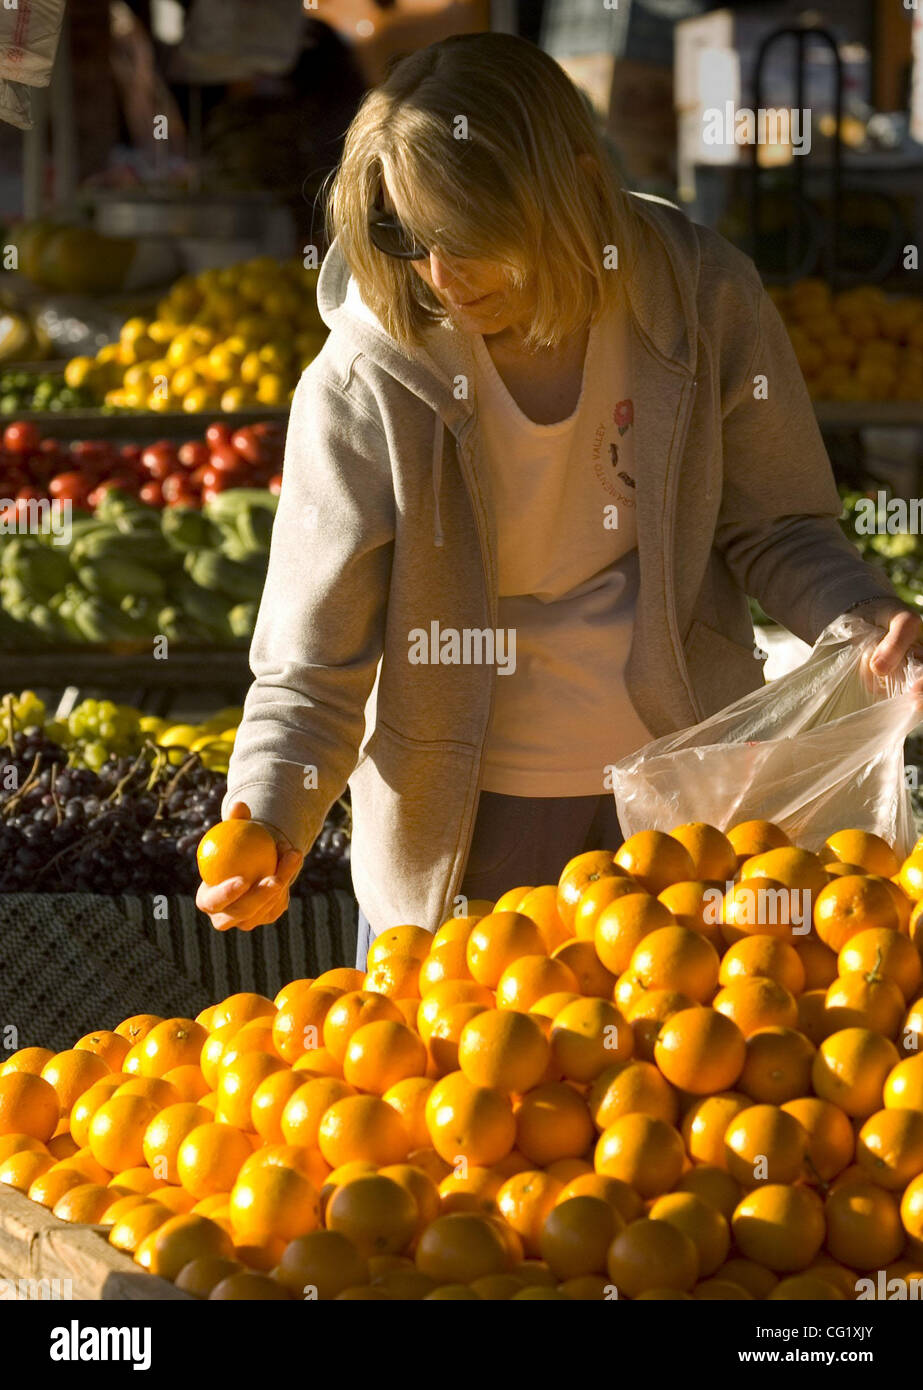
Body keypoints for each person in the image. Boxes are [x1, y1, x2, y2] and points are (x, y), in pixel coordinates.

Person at [195, 32, 922, 967]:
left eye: (468, 243)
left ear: (570, 189)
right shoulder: (363, 381)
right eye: (406, 240)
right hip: (459, 831)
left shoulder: (701, 299)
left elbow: (776, 523)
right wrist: (270, 812)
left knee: (678, 1089)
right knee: (463, 1095)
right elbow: (311, 665)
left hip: (684, 811)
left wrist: (860, 618)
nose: (441, 280)